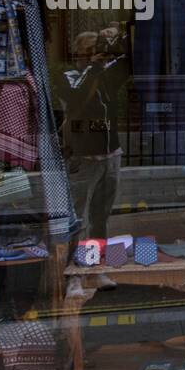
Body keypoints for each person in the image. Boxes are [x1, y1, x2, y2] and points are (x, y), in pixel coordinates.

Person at [54, 25, 130, 296]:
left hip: (111, 154)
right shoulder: (67, 75)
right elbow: (76, 102)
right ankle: (74, 276)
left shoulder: (105, 72)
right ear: (82, 53)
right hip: (83, 156)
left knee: (101, 217)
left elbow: (129, 63)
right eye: (95, 49)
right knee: (79, 219)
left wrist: (120, 36)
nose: (101, 54)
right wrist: (95, 69)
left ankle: (95, 268)